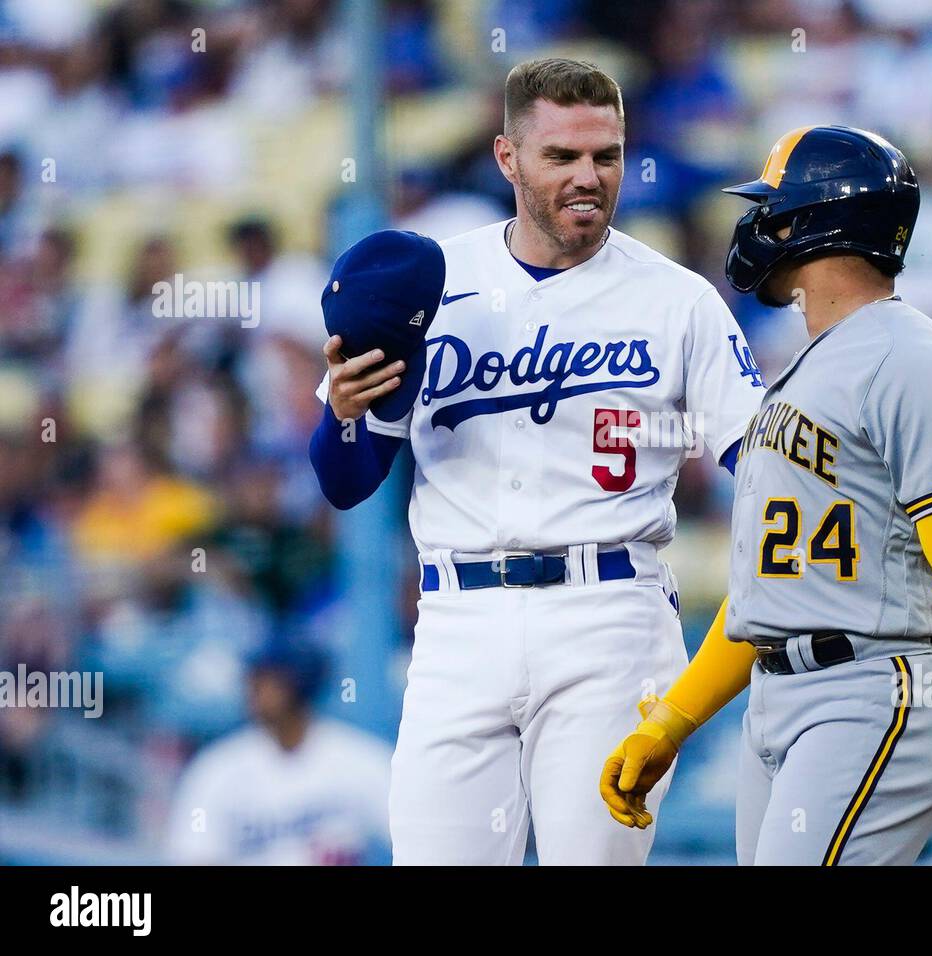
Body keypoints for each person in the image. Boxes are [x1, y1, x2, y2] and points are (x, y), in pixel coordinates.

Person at [308, 58, 762, 864]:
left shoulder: (676, 298)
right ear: (508, 158)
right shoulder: (430, 283)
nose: (589, 176)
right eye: (562, 156)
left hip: (610, 615)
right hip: (457, 622)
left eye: (606, 155)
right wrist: (343, 416)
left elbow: (764, 467)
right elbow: (345, 482)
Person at [601, 126, 932, 865]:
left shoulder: (914, 361)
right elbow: (765, 599)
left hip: (875, 691)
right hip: (781, 697)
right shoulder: (806, 368)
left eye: (775, 211)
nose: (758, 227)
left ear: (820, 223)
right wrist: (671, 722)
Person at [168, 638, 391, 865]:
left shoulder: (361, 759)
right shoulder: (217, 767)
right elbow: (194, 855)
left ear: (300, 682)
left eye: (267, 679)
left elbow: (409, 832)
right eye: (254, 677)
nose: (254, 687)